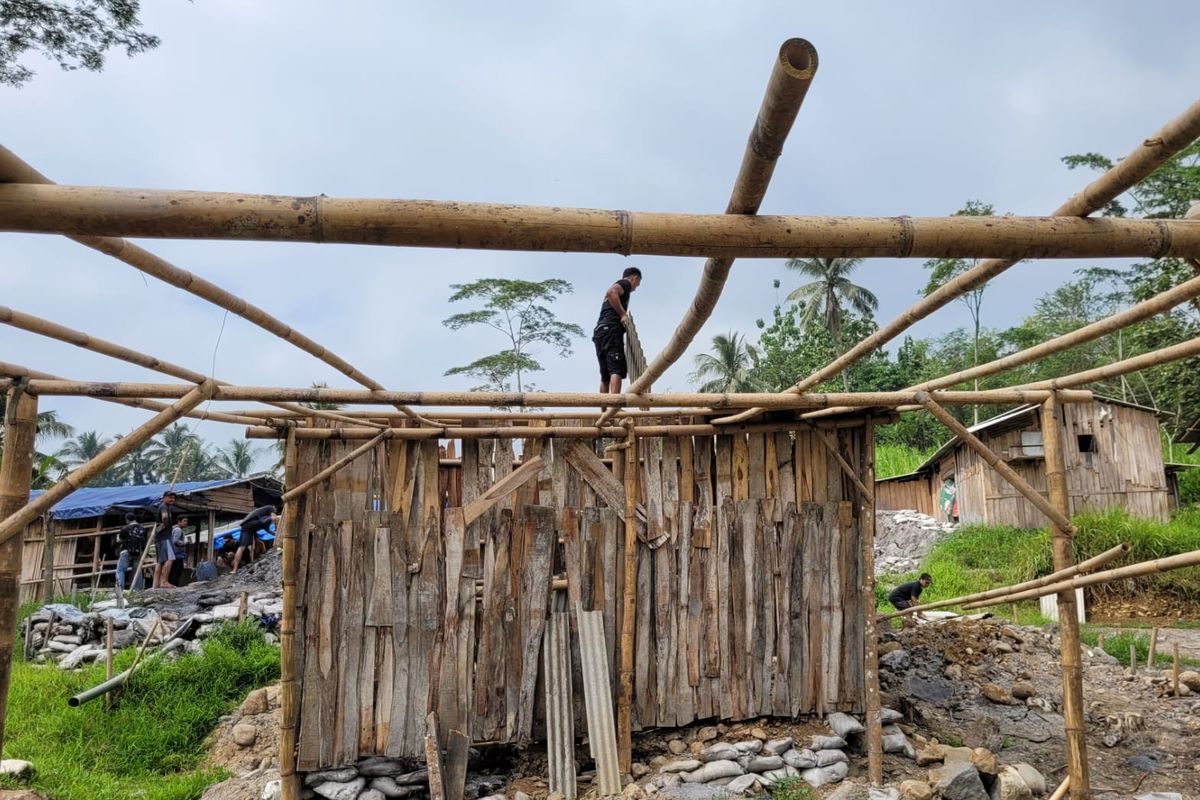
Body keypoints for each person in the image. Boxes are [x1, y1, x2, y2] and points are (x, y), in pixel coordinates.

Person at [592, 266, 642, 394]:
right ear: (634, 278)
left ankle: (604, 407)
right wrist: (623, 314)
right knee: (616, 369)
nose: (635, 288)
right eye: (637, 284)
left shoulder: (622, 286)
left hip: (600, 332)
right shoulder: (625, 284)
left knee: (605, 376)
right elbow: (611, 292)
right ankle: (614, 404)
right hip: (611, 330)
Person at [232, 504, 279, 574]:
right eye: (275, 511)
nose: (275, 512)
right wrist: (279, 518)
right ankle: (236, 568)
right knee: (273, 518)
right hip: (252, 521)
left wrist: (277, 535)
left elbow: (268, 530)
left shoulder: (265, 520)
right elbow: (274, 518)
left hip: (247, 526)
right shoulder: (270, 507)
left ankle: (234, 570)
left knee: (242, 547)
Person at [115, 512, 146, 591]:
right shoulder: (142, 528)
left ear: (127, 520)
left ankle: (120, 589)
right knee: (137, 571)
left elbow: (120, 539)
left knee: (120, 570)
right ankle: (138, 590)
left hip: (126, 551)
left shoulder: (125, 528)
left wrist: (118, 539)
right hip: (138, 552)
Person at [151, 491, 176, 589]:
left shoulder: (163, 506)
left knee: (160, 561)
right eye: (170, 497)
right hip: (165, 537)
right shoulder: (164, 507)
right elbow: (164, 517)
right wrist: (165, 525)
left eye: (173, 498)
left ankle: (155, 584)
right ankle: (164, 581)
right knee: (170, 558)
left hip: (159, 538)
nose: (172, 499)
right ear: (164, 497)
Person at [168, 515, 188, 586]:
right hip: (177, 555)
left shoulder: (173, 529)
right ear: (179, 521)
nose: (186, 522)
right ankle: (174, 586)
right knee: (177, 571)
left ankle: (171, 585)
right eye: (184, 521)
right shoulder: (178, 530)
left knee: (172, 571)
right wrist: (184, 543)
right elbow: (175, 541)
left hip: (173, 554)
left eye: (186, 521)